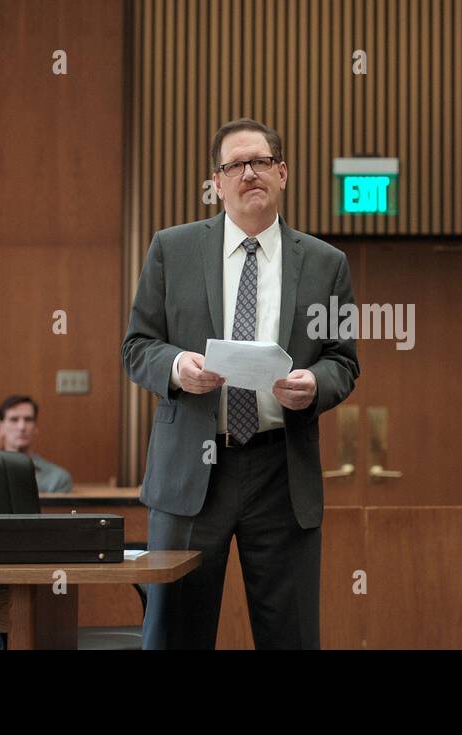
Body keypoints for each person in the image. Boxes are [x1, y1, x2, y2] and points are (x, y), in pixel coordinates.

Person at [123, 117, 360, 649]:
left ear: (282, 173)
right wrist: (178, 369)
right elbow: (137, 348)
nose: (249, 173)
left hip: (282, 471)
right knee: (175, 633)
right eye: (235, 165)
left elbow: (343, 361)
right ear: (217, 181)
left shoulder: (326, 265)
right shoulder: (171, 250)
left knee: (290, 635)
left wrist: (315, 384)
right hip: (192, 471)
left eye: (260, 162)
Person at [0, 395, 72, 492]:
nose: (21, 427)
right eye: (14, 419)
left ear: (35, 427)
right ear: (1, 427)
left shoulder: (58, 478)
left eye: (28, 420)